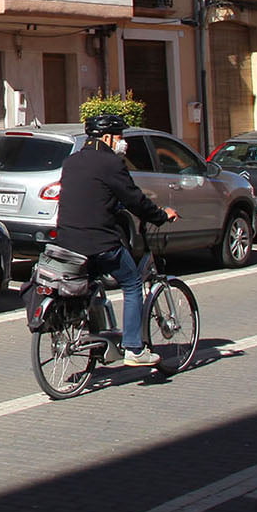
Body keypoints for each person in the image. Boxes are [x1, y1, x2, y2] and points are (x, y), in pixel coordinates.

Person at [54, 113, 179, 366]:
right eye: (120, 137)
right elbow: (135, 199)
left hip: (67, 242)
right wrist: (160, 215)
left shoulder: (71, 161)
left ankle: (96, 338)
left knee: (91, 286)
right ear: (108, 138)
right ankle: (134, 348)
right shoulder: (110, 163)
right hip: (99, 243)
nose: (123, 143)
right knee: (132, 282)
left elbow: (93, 194)